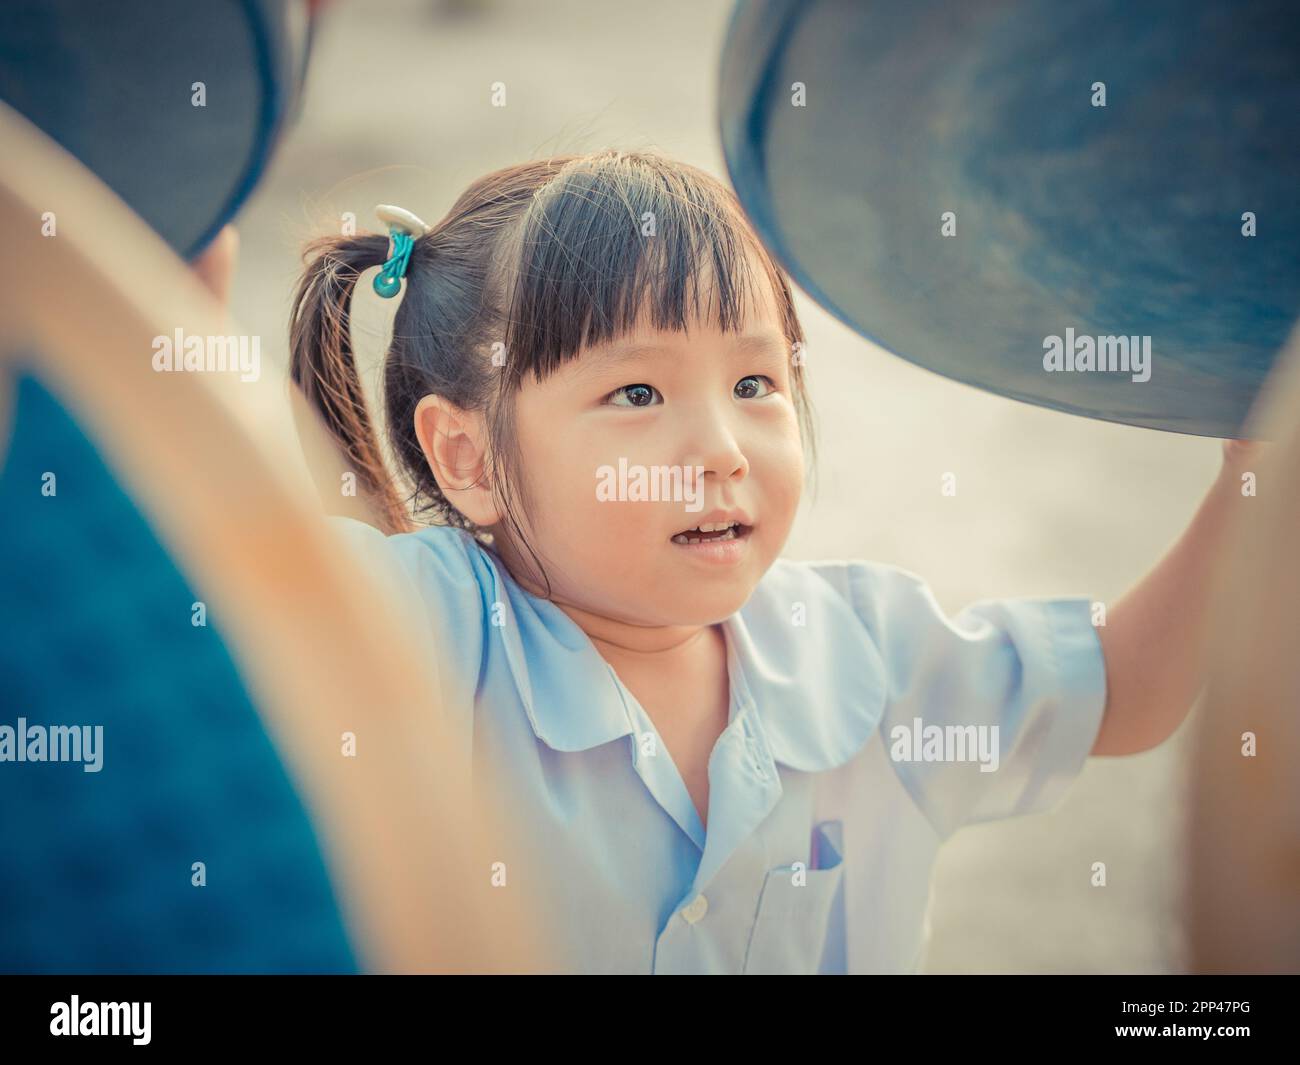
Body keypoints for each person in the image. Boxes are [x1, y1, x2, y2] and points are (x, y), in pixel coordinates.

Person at [286, 150, 1252, 973]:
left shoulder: (865, 653)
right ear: (469, 458)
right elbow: (221, 578)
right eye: (635, 393)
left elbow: (1121, 686)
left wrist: (1248, 484)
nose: (722, 447)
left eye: (755, 381)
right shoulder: (439, 630)